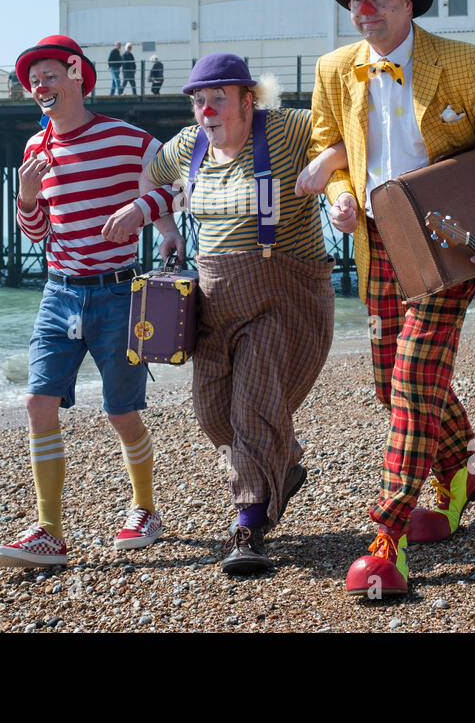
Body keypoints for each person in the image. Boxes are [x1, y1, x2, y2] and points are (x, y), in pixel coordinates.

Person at [308, 0, 475, 598]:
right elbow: (325, 143)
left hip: (449, 243)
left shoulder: (463, 64)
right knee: (393, 384)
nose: (363, 9)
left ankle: (387, 541)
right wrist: (338, 194)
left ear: (408, 3)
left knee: (416, 376)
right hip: (378, 243)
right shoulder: (333, 69)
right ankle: (459, 475)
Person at [105, 53, 347, 576]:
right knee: (213, 413)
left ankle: (249, 527)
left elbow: (356, 135)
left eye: (218, 98)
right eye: (198, 100)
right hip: (215, 301)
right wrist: (165, 228)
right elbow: (150, 177)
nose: (207, 109)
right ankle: (279, 466)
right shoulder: (189, 148)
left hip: (285, 294)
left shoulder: (286, 129)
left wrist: (328, 167)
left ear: (247, 99)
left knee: (254, 405)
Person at [0, 35, 181, 569]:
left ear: (77, 74)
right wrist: (26, 197)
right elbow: (36, 232)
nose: (39, 85)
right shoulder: (34, 149)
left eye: (49, 74)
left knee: (122, 411)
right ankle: (49, 529)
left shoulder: (124, 137)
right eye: (33, 80)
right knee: (37, 402)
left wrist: (144, 211)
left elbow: (177, 181)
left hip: (118, 291)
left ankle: (145, 508)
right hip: (59, 291)